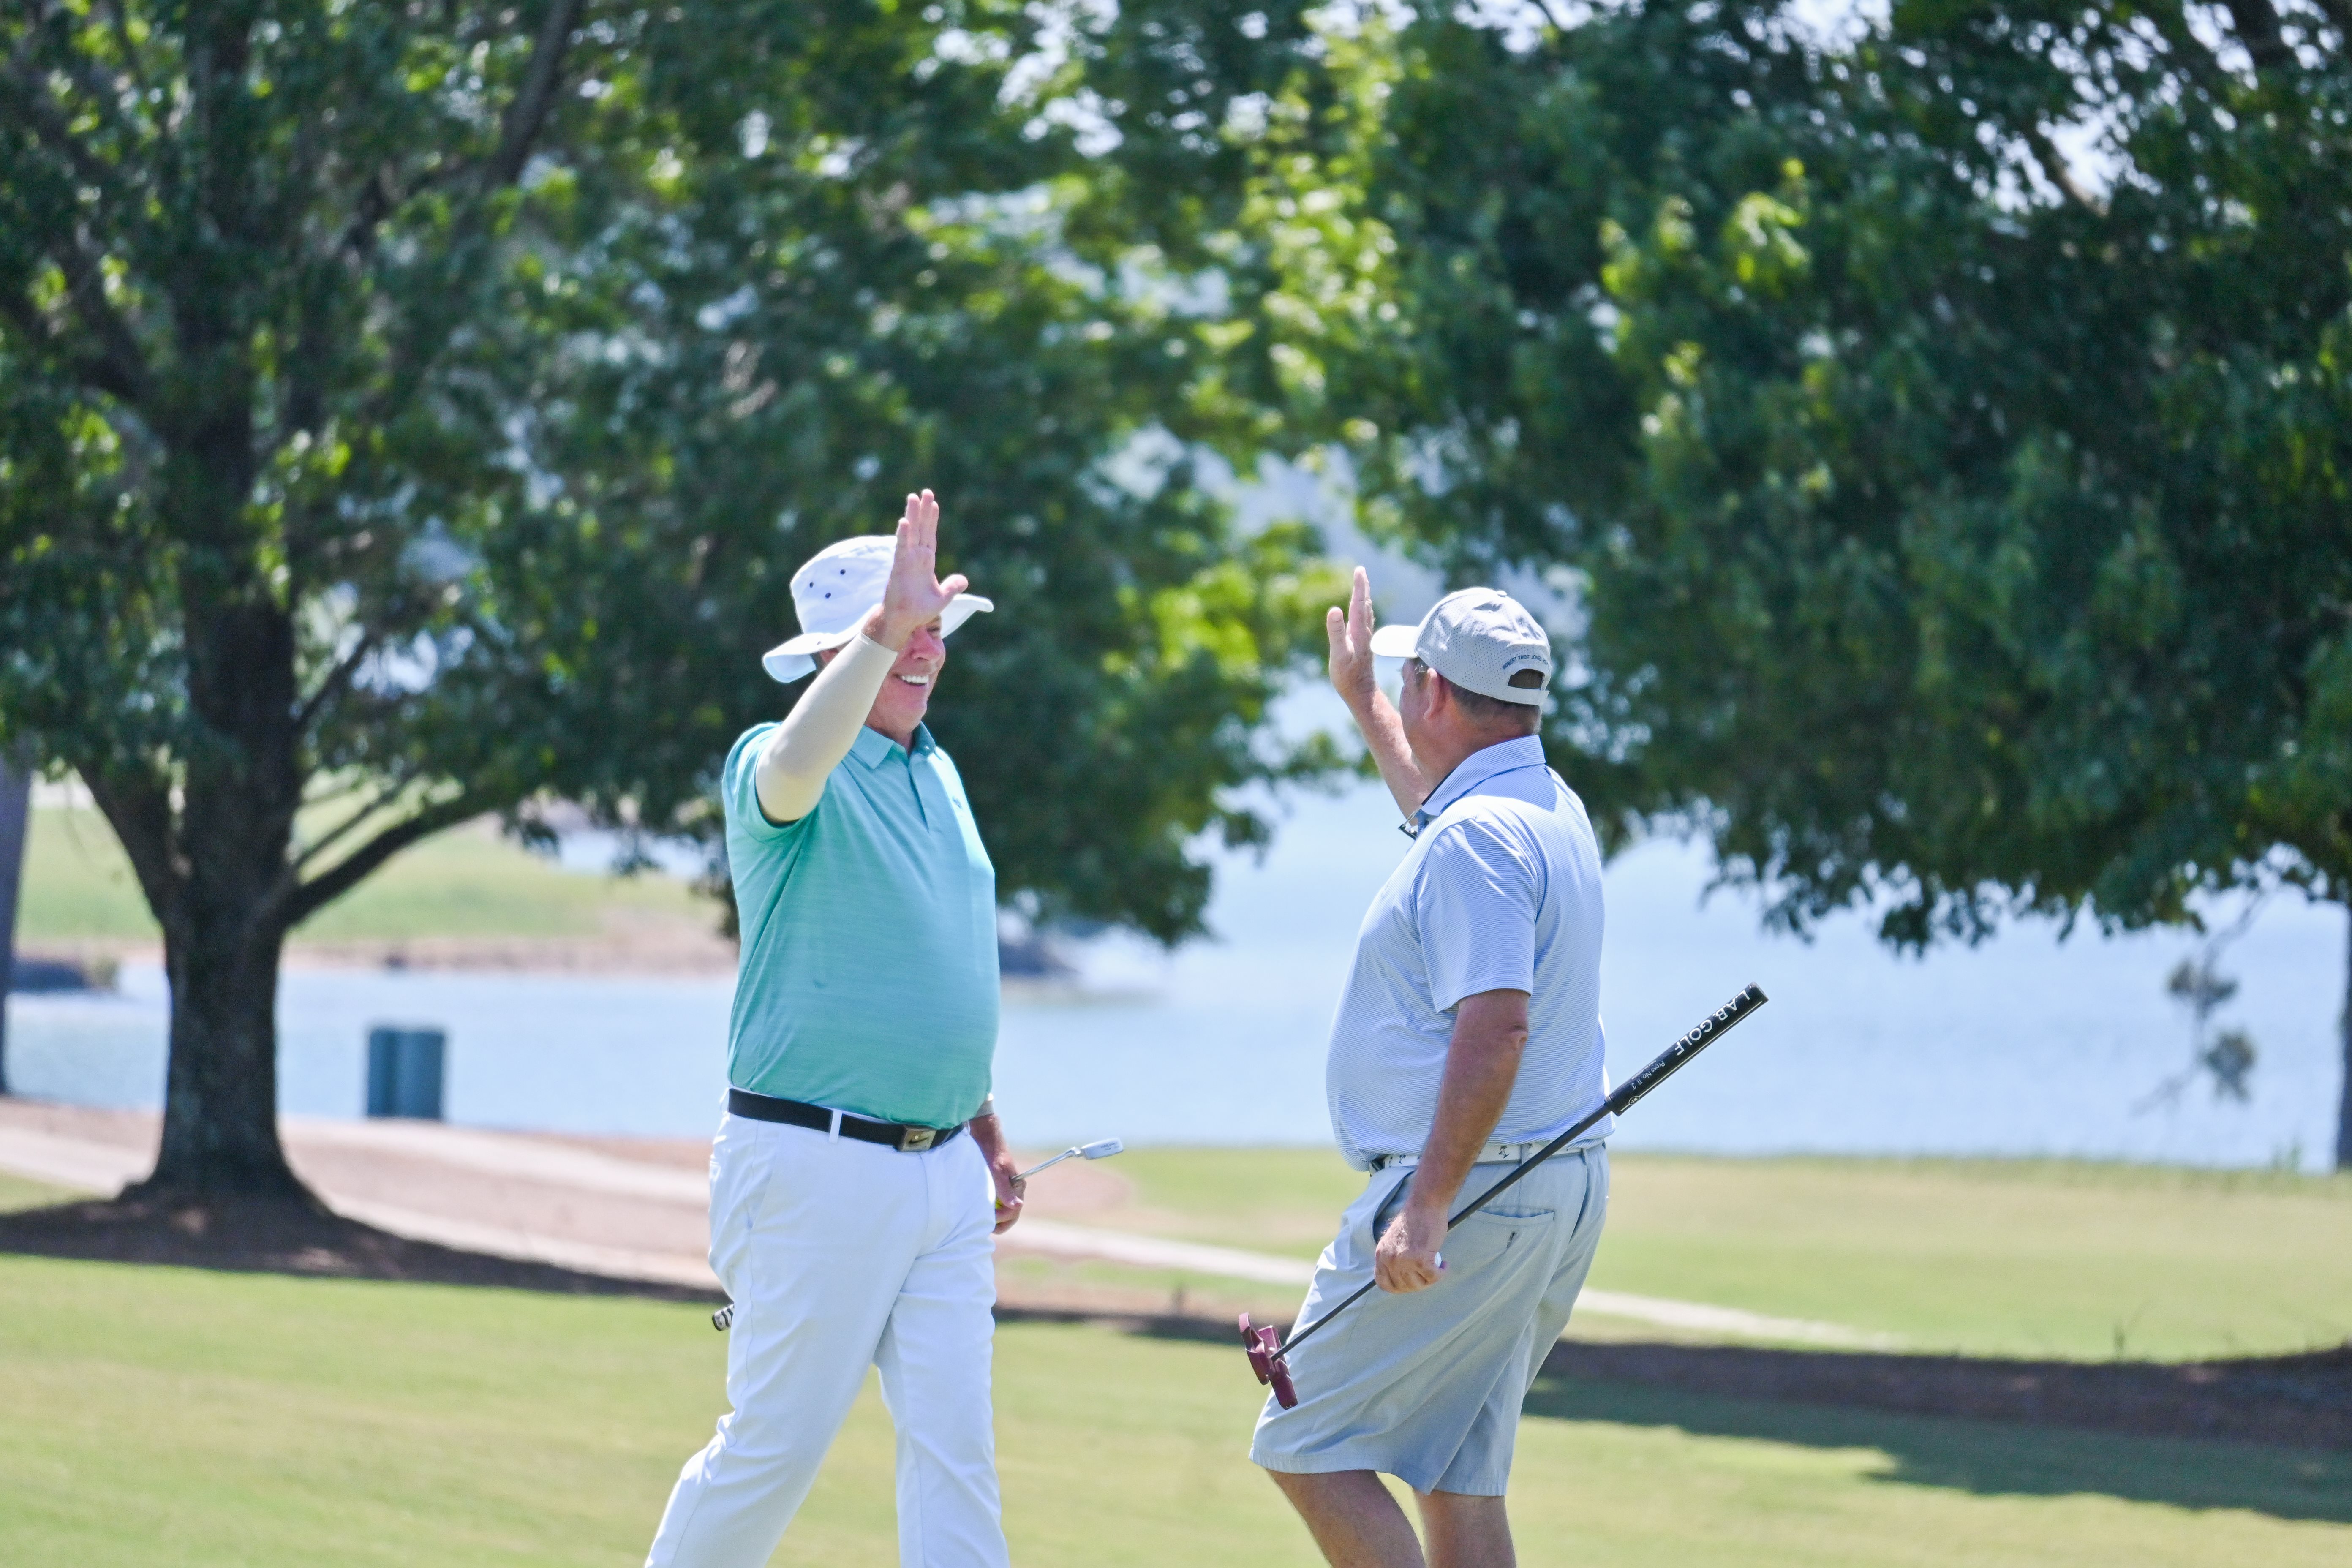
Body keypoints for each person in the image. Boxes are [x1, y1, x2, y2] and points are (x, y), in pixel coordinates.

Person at [645, 490, 1026, 1568]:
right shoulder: (774, 757)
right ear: (836, 649)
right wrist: (878, 636)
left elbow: (932, 954)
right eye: (905, 635)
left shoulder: (938, 769)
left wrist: (984, 1118)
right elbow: (797, 766)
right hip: (814, 1158)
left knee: (957, 1454)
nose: (925, 655)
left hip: (941, 1165)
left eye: (932, 635)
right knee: (775, 1447)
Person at [1252, 569, 1614, 1568]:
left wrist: (1427, 1203)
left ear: (1439, 694)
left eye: (1411, 677)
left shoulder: (1480, 842)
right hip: (1553, 1186)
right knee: (1459, 1470)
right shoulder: (1544, 804)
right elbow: (1440, 812)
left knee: (1304, 1436)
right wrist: (1363, 696)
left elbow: (1496, 1028)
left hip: (1476, 1189)